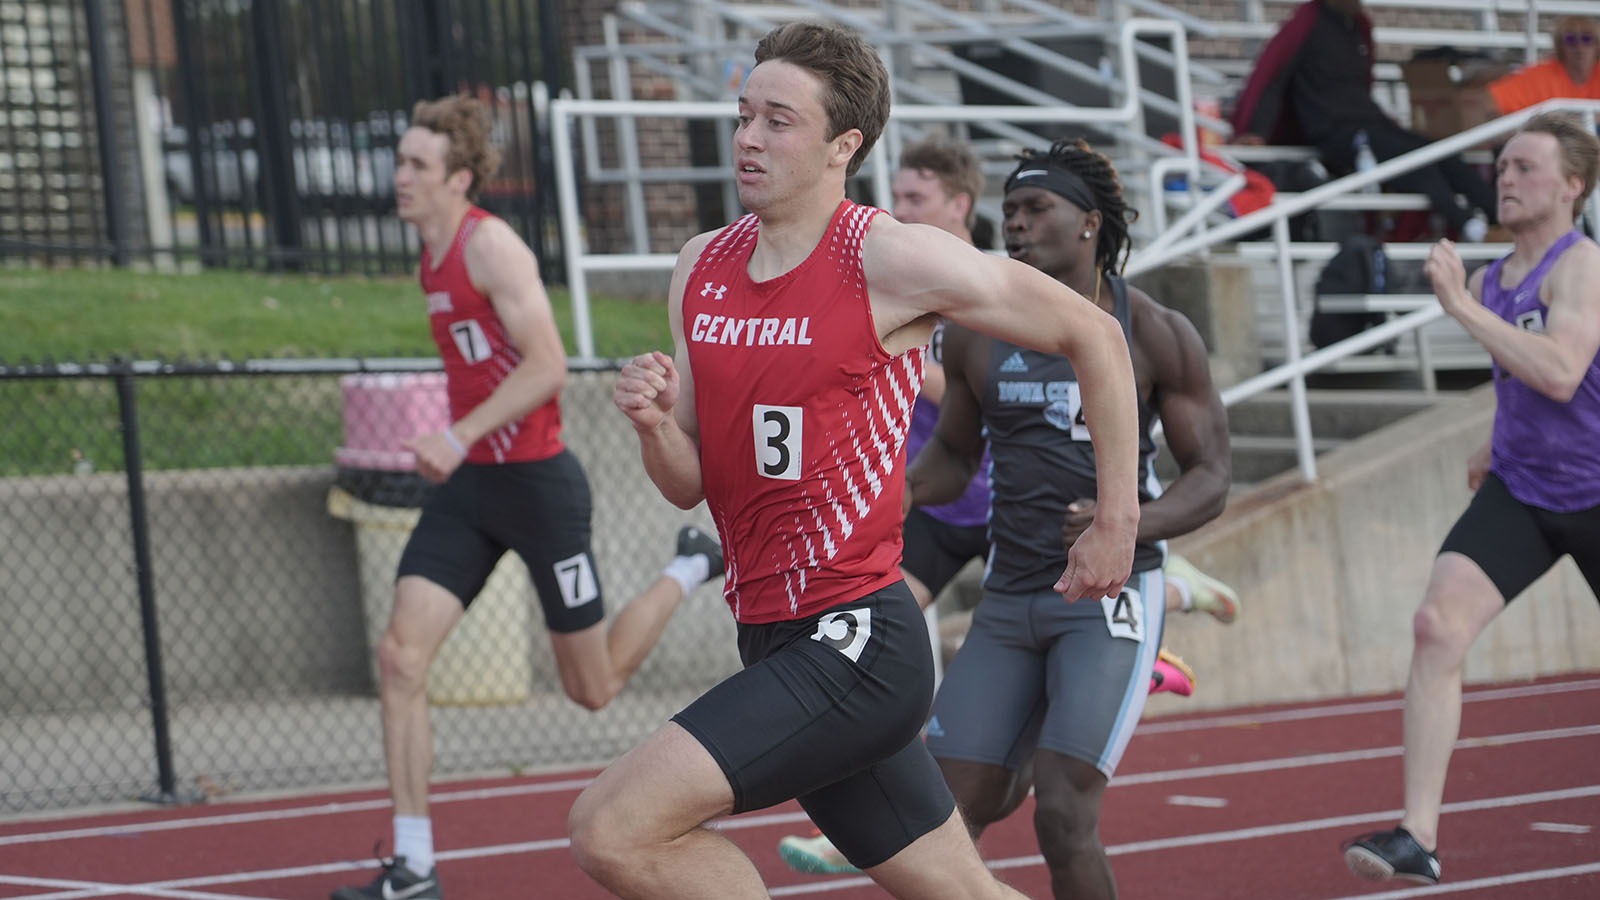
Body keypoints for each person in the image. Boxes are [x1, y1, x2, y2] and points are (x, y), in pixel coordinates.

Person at [573, 21, 1144, 900]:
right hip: (770, 634)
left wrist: (1116, 523)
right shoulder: (701, 267)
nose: (749, 138)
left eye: (778, 120)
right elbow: (691, 484)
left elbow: (1095, 335)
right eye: (744, 115)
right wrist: (655, 425)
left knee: (614, 826)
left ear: (845, 146)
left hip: (858, 640)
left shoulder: (887, 256)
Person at [773, 132, 1240, 882]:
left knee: (1063, 814)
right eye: (1009, 209)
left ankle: (1091, 695)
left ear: (1089, 222)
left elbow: (1213, 474)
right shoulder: (980, 338)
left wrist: (1124, 523)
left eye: (1035, 208)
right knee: (944, 820)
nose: (1014, 223)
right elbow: (955, 459)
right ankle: (1016, 748)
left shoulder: (1153, 331)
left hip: (1106, 599)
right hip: (1010, 596)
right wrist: (886, 497)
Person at [331, 95, 725, 900]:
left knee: (592, 688)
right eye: (399, 161)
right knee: (401, 657)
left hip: (539, 487)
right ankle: (413, 866)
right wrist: (463, 445)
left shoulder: (492, 248)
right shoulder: (429, 254)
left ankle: (687, 568)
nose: (399, 177)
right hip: (474, 487)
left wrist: (457, 432)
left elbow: (548, 364)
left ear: (460, 178)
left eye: (416, 165)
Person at [1343, 111, 1600, 886]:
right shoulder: (1495, 276)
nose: (1507, 178)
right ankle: (1416, 836)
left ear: (1573, 186)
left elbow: (1559, 369)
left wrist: (1460, 307)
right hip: (1524, 488)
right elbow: (1530, 384)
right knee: (1435, 625)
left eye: (1525, 167)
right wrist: (1498, 438)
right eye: (1502, 168)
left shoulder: (1579, 263)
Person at [1229, 0, 1498, 241]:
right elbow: (1272, 78)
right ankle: (1469, 225)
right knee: (1416, 166)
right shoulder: (1306, 23)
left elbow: (1360, 89)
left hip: (1369, 122)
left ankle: (1498, 216)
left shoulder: (1359, 27)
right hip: (1337, 130)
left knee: (1443, 154)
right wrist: (1256, 130)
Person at [1488, 16, 1600, 115]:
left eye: (1587, 39)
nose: (1579, 47)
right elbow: (1492, 101)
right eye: (1570, 39)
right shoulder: (1538, 76)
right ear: (1559, 46)